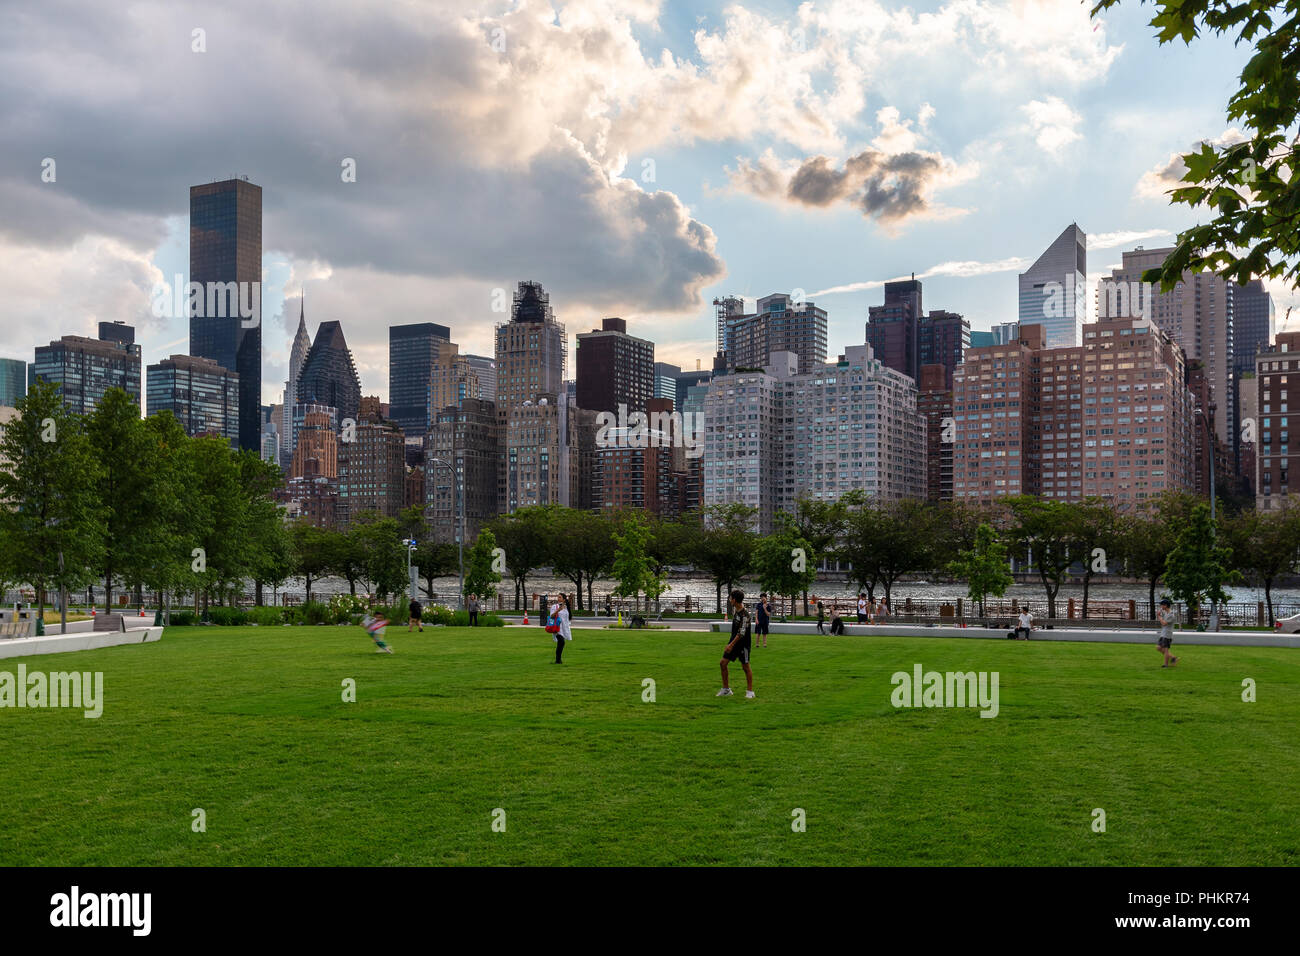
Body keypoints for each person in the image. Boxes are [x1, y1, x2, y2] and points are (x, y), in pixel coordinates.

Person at [717, 588, 755, 698]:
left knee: (745, 667)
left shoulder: (745, 615)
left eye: (730, 598)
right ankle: (726, 689)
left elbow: (741, 633)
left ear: (734, 600)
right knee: (723, 663)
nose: (729, 600)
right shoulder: (736, 611)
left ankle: (750, 692)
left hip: (743, 644)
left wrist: (731, 645)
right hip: (734, 641)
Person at [1156, 598, 1178, 667]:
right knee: (1158, 648)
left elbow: (1164, 623)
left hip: (1167, 634)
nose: (1161, 607)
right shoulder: (1166, 613)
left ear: (1165, 605)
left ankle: (1165, 664)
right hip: (1163, 633)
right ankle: (1173, 658)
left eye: (1162, 605)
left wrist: (1159, 616)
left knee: (1165, 650)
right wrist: (1160, 615)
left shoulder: (1171, 615)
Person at [553, 593, 573, 664]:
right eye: (558, 597)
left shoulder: (566, 607)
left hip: (564, 628)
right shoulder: (555, 606)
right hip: (557, 628)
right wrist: (558, 610)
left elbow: (568, 618)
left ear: (564, 599)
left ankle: (558, 660)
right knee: (561, 642)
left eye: (560, 597)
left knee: (561, 644)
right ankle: (558, 660)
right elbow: (551, 616)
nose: (558, 599)